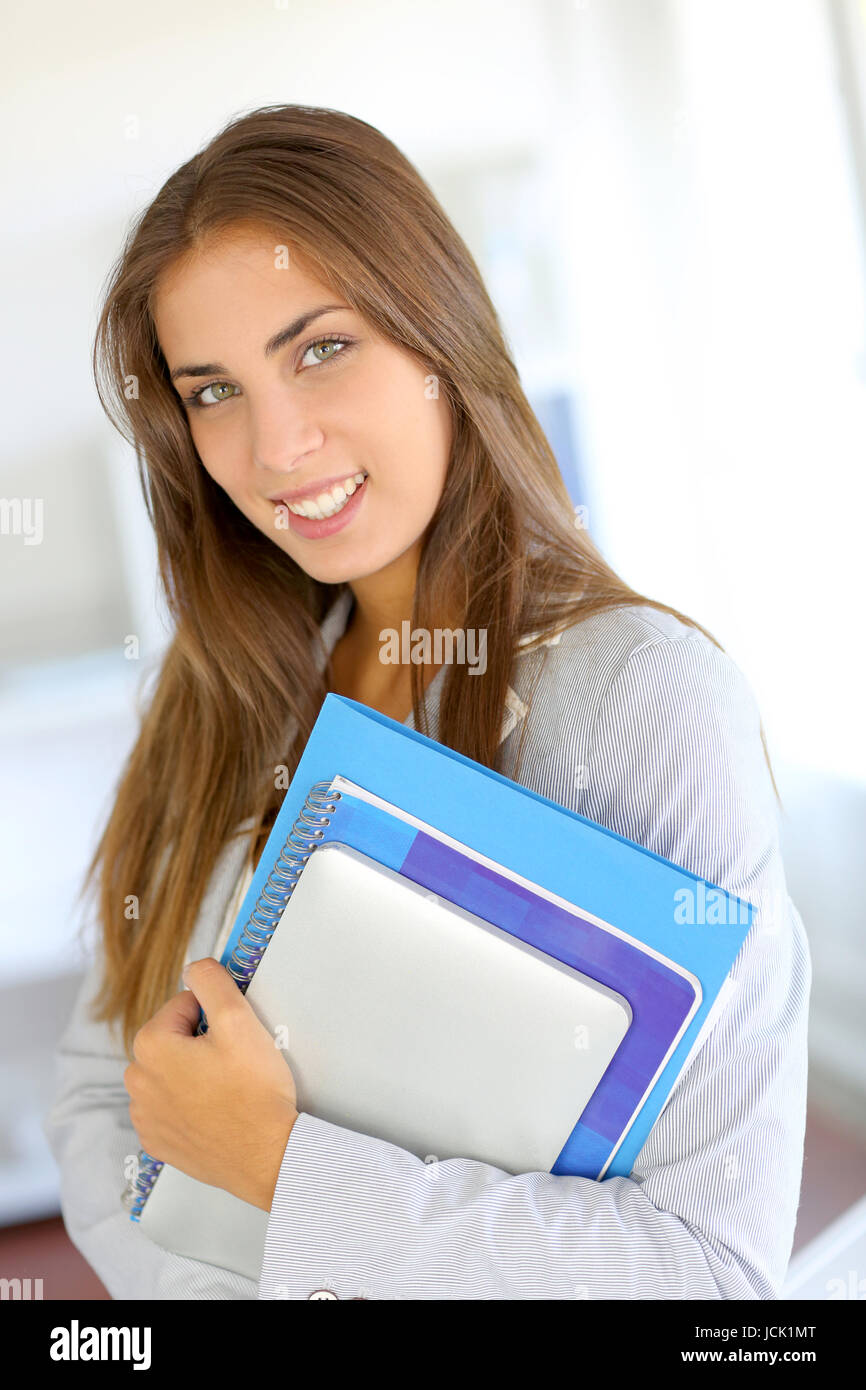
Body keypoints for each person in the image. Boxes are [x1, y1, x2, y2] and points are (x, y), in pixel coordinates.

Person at [45, 103, 810, 1300]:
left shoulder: (640, 700)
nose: (276, 446)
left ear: (437, 334)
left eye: (318, 349)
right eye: (211, 392)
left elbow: (712, 1274)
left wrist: (285, 1174)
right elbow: (100, 1092)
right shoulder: (214, 694)